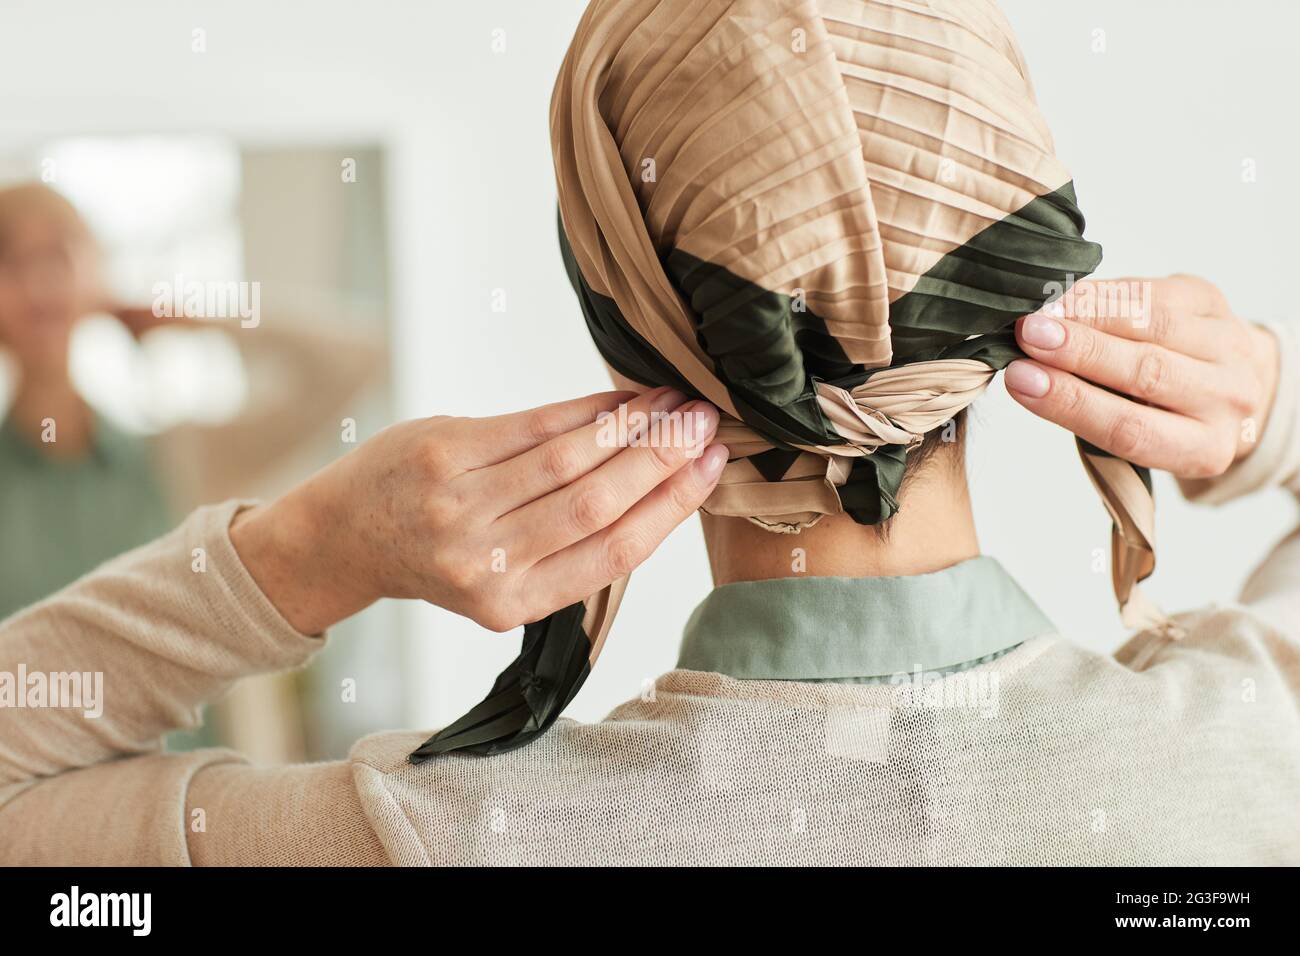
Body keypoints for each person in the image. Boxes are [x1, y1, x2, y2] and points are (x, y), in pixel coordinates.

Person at [2, 0, 1298, 864]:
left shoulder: (441, 835)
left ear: (622, 314)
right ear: (1029, 287)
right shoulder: (1254, 742)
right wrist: (1268, 423)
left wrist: (307, 554)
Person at [0, 182, 385, 622]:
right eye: (9, 259)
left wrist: (191, 317)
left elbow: (361, 360)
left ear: (94, 275)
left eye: (56, 254)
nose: (37, 282)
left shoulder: (179, 457)